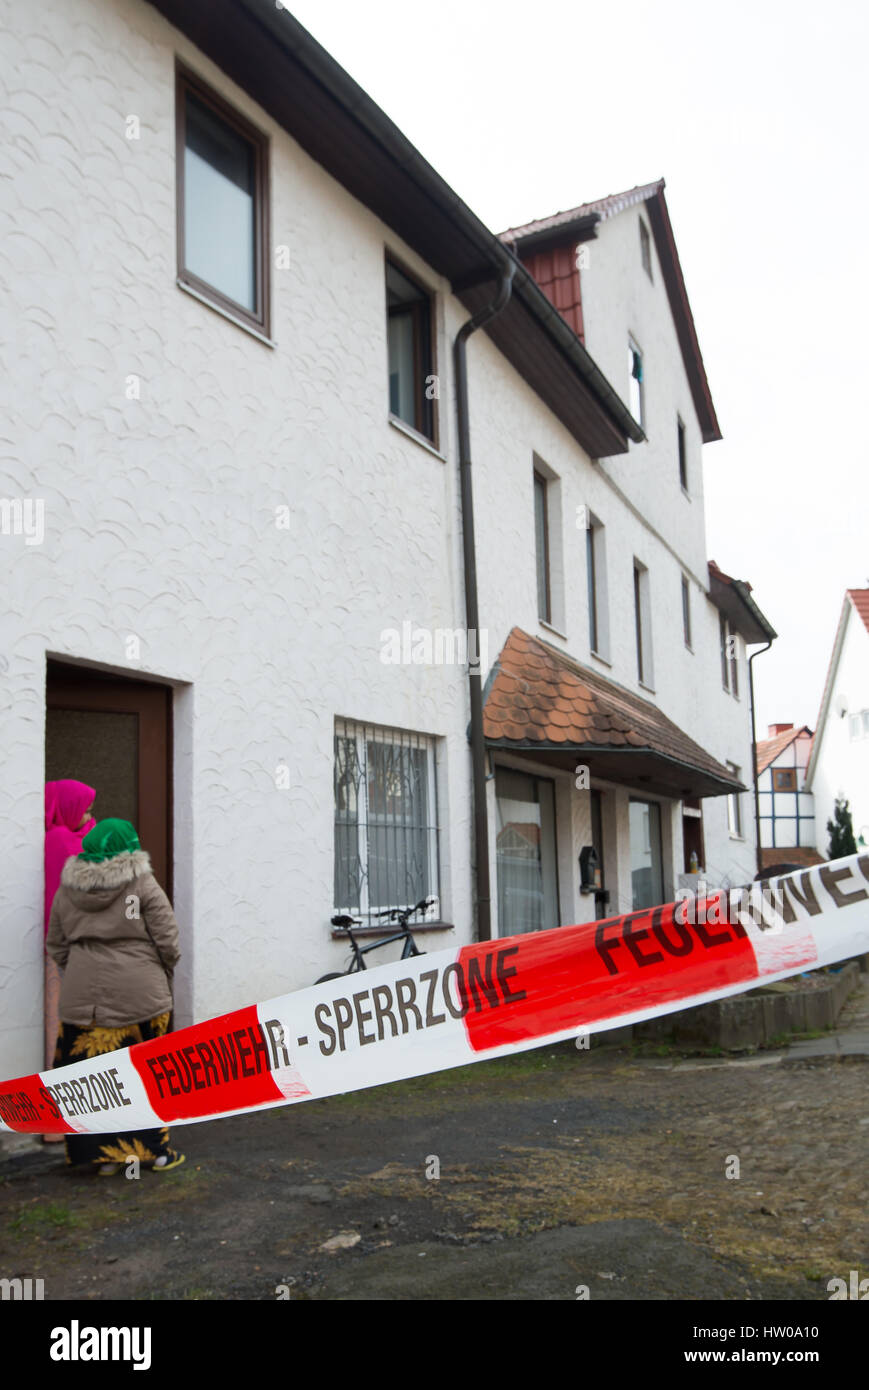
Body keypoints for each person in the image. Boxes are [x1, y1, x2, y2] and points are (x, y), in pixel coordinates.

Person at [46, 817, 185, 1175]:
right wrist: (161, 971)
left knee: (92, 1078)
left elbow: (57, 945)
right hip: (141, 992)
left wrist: (80, 968)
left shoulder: (67, 890)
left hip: (82, 997)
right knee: (145, 1073)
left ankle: (104, 1157)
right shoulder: (140, 883)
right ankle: (153, 1153)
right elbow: (167, 939)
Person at [43, 781, 96, 1141]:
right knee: (64, 1029)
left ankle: (63, 1126)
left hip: (63, 945)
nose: (91, 815)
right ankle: (59, 1125)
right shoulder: (61, 841)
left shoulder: (61, 837)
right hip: (67, 948)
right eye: (86, 809)